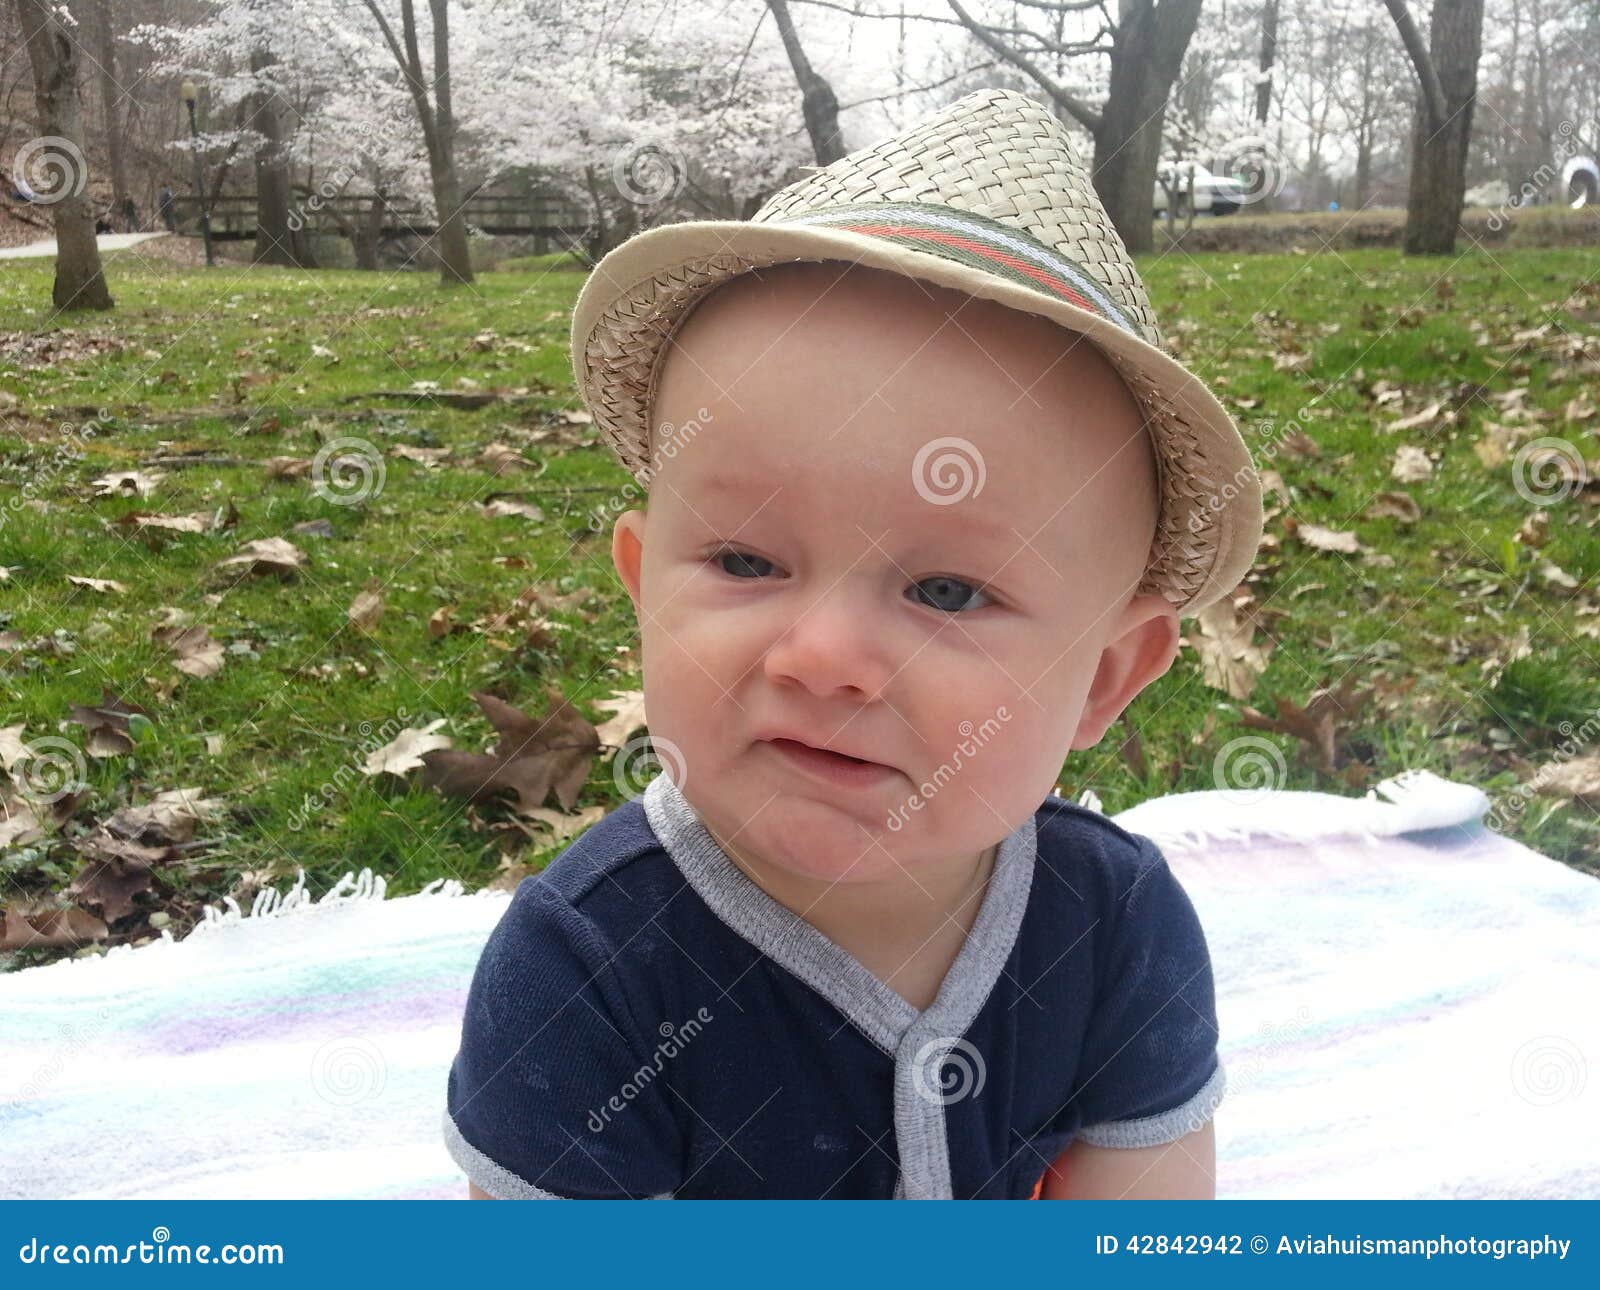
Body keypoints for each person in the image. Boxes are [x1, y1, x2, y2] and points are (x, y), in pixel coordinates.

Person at [444, 88, 1264, 1199]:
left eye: (946, 588)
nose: (821, 655)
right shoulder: (586, 971)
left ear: (1103, 679)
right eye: (744, 562)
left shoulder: (1113, 929)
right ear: (641, 587)